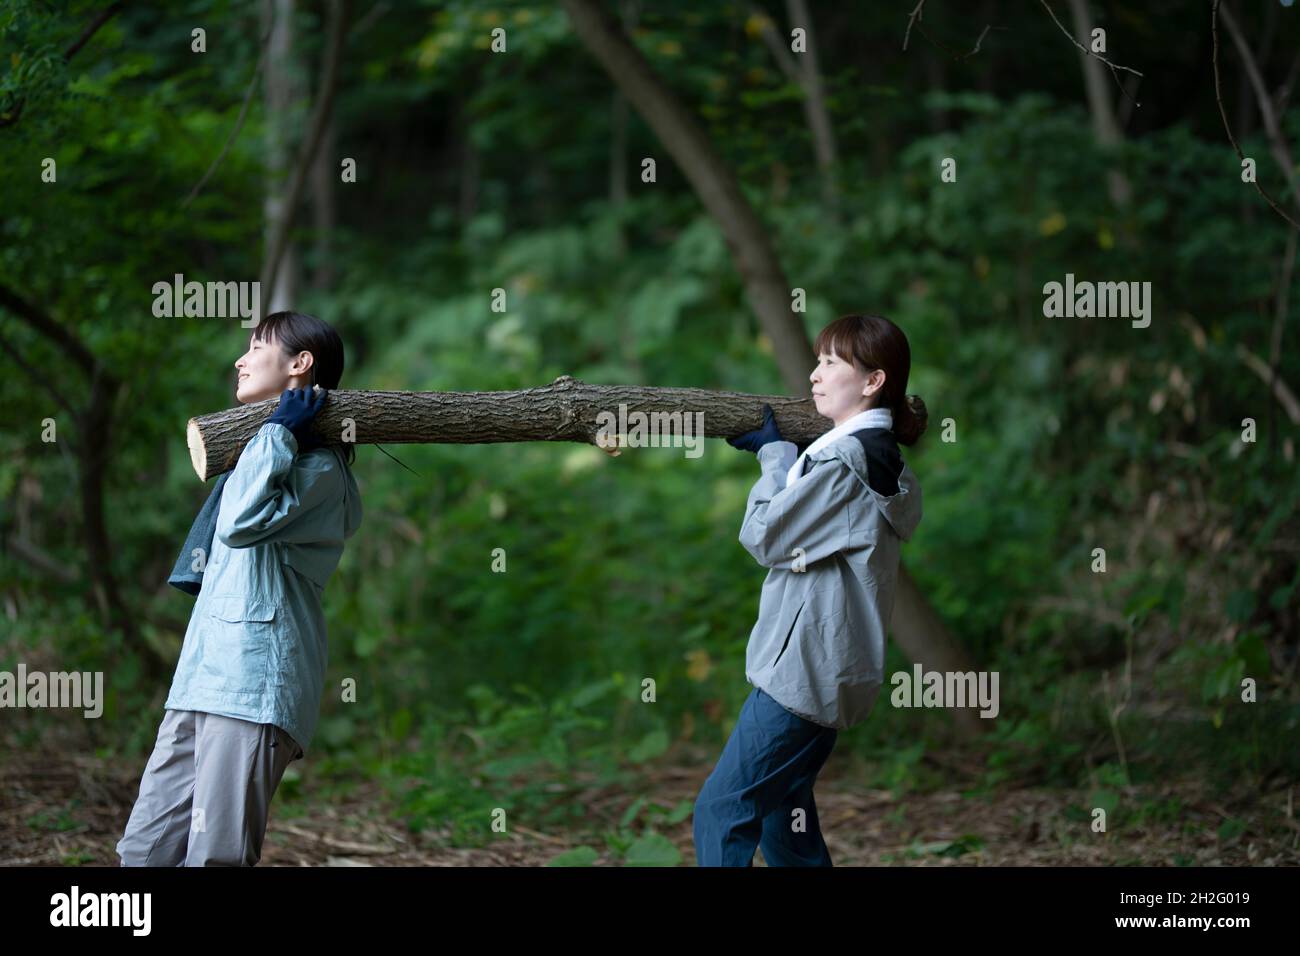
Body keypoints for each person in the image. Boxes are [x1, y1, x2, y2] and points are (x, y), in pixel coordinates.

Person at [117, 311, 363, 866]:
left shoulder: (321, 471)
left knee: (215, 856)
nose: (241, 359)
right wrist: (272, 436)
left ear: (300, 365)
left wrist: (277, 431)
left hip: (254, 682)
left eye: (257, 347)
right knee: (143, 850)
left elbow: (240, 522)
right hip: (202, 677)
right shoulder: (262, 454)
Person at [694, 313, 926, 867]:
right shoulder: (878, 460)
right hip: (826, 674)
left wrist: (773, 457)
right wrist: (793, 459)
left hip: (801, 679)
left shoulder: (846, 466)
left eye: (830, 362)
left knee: (721, 810)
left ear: (873, 382)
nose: (814, 374)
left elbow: (765, 535)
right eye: (817, 360)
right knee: (787, 831)